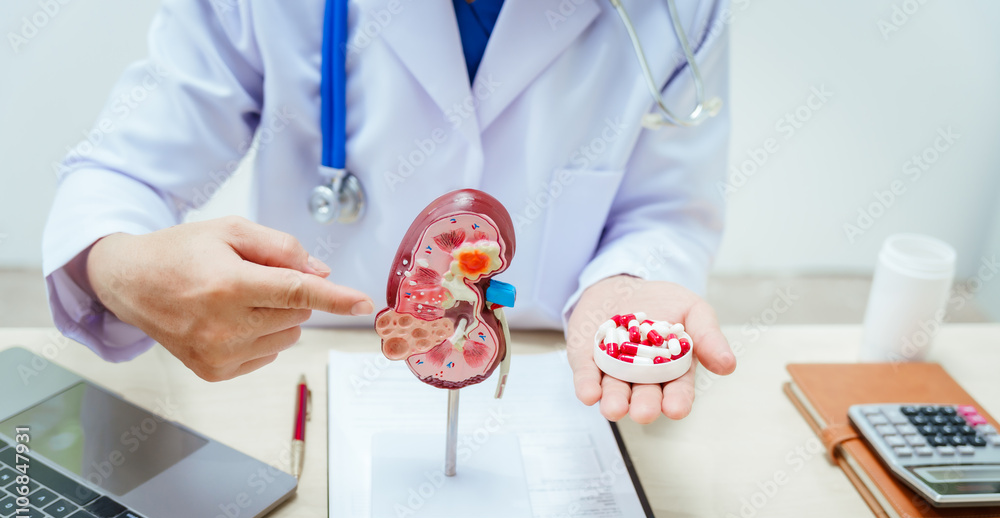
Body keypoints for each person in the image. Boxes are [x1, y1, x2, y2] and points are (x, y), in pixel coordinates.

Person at [43, 0, 736, 425]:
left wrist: (628, 285)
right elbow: (119, 174)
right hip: (310, 372)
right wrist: (121, 266)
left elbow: (665, 211)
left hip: (557, 381)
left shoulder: (675, 8)